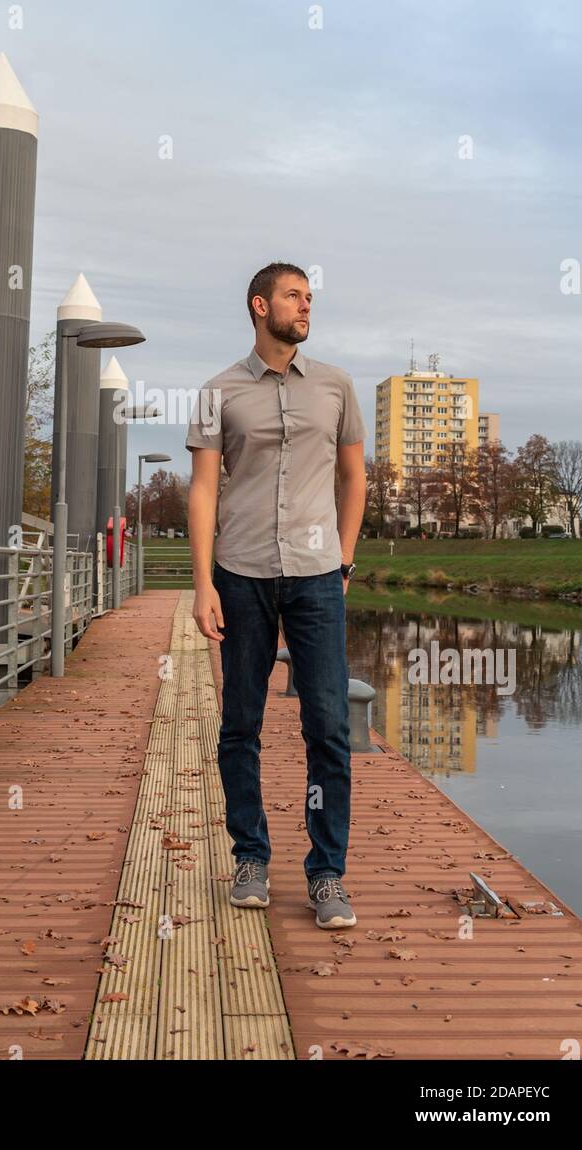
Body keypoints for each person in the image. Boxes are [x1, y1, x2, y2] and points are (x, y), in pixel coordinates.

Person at [185, 262, 367, 928]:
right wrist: (202, 582)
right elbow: (204, 490)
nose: (306, 305)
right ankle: (251, 859)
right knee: (241, 724)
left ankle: (326, 875)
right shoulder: (218, 392)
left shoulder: (337, 387)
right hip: (241, 574)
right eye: (294, 295)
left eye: (311, 296)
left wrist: (343, 564)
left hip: (318, 577)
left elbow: (355, 479)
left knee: (329, 726)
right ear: (260, 305)